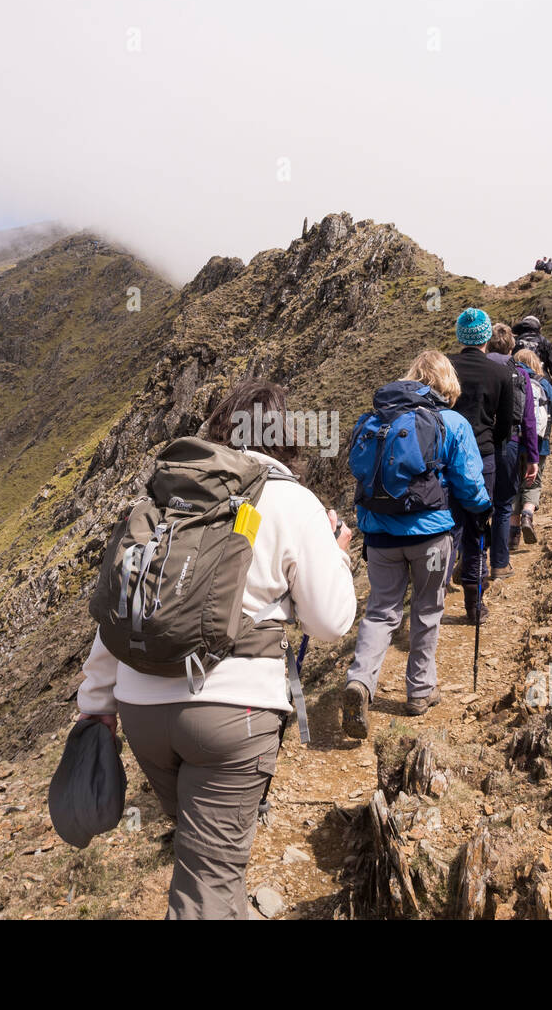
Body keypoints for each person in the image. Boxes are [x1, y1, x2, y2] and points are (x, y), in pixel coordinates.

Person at [76, 380, 357, 920]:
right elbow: (331, 621)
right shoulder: (293, 500)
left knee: (208, 860)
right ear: (287, 437)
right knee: (205, 882)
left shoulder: (170, 495)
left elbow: (127, 604)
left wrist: (96, 705)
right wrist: (338, 555)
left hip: (140, 708)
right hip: (233, 715)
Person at [342, 351, 490, 738]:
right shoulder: (452, 422)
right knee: (427, 611)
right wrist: (482, 510)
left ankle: (360, 682)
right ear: (447, 383)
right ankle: (420, 691)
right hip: (430, 535)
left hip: (379, 534)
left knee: (380, 612)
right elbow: (470, 484)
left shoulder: (378, 419)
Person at [447, 308, 514, 625]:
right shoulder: (500, 374)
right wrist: (490, 444)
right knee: (477, 530)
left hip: (445, 457)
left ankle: (432, 596)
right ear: (487, 336)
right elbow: (505, 425)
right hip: (483, 458)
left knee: (446, 527)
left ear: (460, 335)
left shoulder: (447, 368)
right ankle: (474, 607)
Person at [485, 324, 538, 577]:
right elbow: (529, 420)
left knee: (475, 504)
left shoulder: (477, 368)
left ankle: (469, 561)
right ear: (511, 346)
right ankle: (499, 564)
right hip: (510, 442)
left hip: (478, 440)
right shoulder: (519, 373)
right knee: (503, 505)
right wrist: (533, 457)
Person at [511, 348, 552, 545]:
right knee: (534, 482)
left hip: (513, 442)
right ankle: (527, 514)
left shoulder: (512, 380)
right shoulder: (543, 383)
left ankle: (512, 534)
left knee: (513, 485)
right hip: (539, 444)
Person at [512, 314, 552, 388]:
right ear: (538, 328)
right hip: (541, 382)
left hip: (518, 383)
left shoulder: (514, 343)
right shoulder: (544, 342)